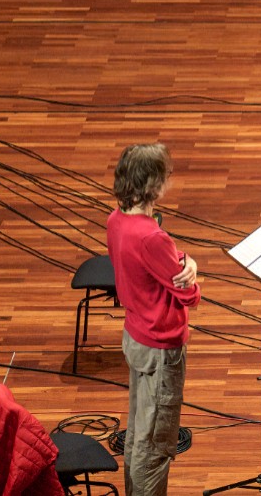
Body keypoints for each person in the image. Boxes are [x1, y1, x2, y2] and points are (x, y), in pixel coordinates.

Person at [106, 142, 200, 496]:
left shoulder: (116, 221)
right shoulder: (151, 236)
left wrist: (185, 260)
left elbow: (163, 260)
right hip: (160, 348)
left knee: (138, 435)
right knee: (156, 447)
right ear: (153, 185)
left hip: (136, 336)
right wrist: (191, 271)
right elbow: (189, 295)